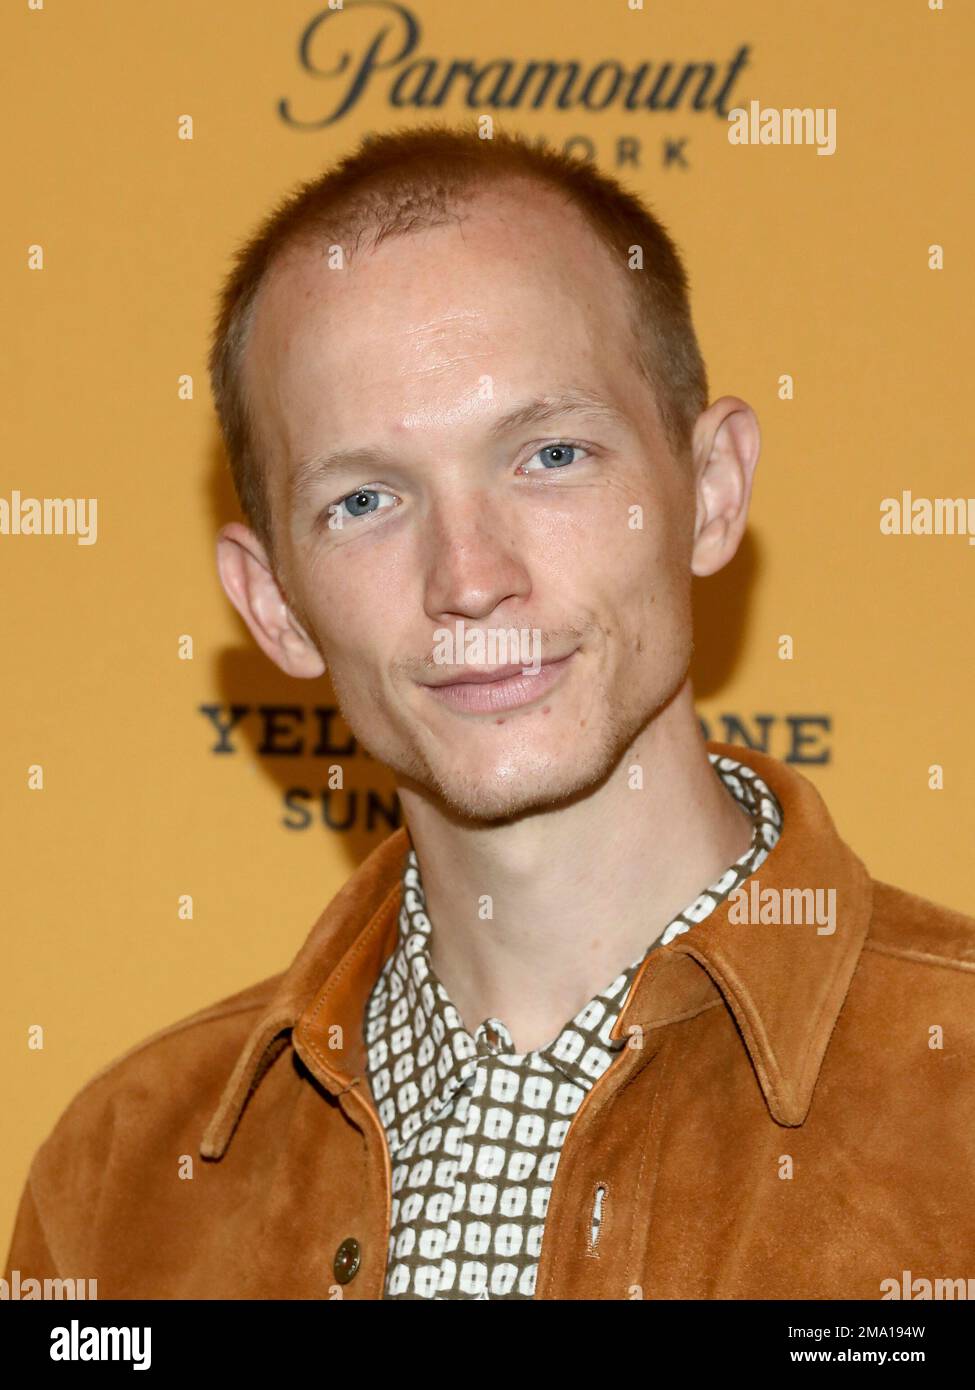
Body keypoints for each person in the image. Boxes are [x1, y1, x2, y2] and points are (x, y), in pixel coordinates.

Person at [6, 124, 973, 1301]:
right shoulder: (120, 1190)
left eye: (551, 454)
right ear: (275, 606)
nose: (468, 575)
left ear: (710, 493)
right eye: (365, 498)